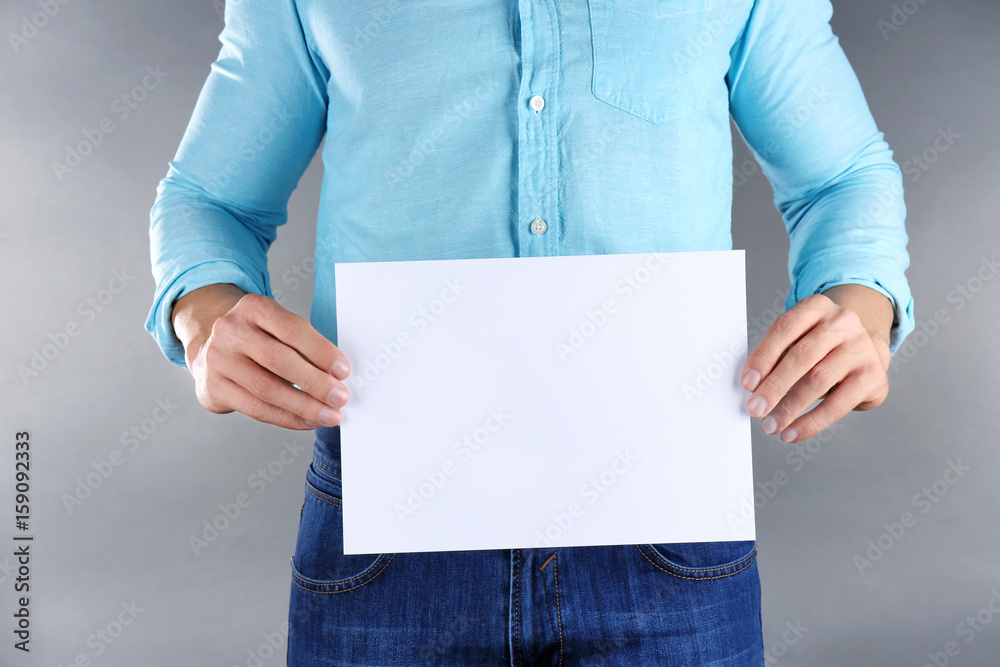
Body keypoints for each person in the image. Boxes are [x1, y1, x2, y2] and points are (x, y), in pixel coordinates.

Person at [145, 0, 914, 663]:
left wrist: (862, 302)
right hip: (389, 525)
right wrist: (204, 313)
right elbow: (208, 198)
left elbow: (842, 177)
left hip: (667, 514)